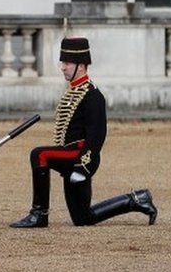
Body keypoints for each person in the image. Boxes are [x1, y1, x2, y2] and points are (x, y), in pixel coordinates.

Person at [10, 36, 157, 228]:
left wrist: (82, 167)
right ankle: (136, 199)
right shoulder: (73, 91)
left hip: (80, 156)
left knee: (39, 154)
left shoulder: (93, 95)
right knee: (82, 218)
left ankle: (39, 214)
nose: (63, 67)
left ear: (81, 66)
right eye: (63, 63)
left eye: (67, 63)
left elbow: (97, 135)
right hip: (70, 155)